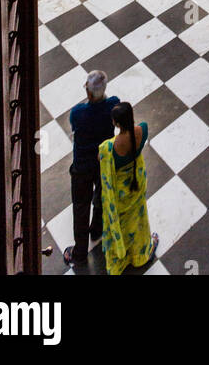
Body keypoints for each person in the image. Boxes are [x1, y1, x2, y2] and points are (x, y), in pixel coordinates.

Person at [63, 71, 119, 268]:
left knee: (80, 206)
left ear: (88, 92)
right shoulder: (113, 104)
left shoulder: (77, 113)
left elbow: (74, 128)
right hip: (103, 161)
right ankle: (96, 229)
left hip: (82, 165)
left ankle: (79, 253)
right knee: (101, 196)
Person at [98, 101, 159, 275]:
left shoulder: (108, 148)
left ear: (116, 123)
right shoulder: (143, 130)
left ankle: (121, 258)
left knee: (121, 223)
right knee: (137, 220)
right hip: (137, 184)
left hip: (120, 194)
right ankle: (139, 254)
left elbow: (100, 160)